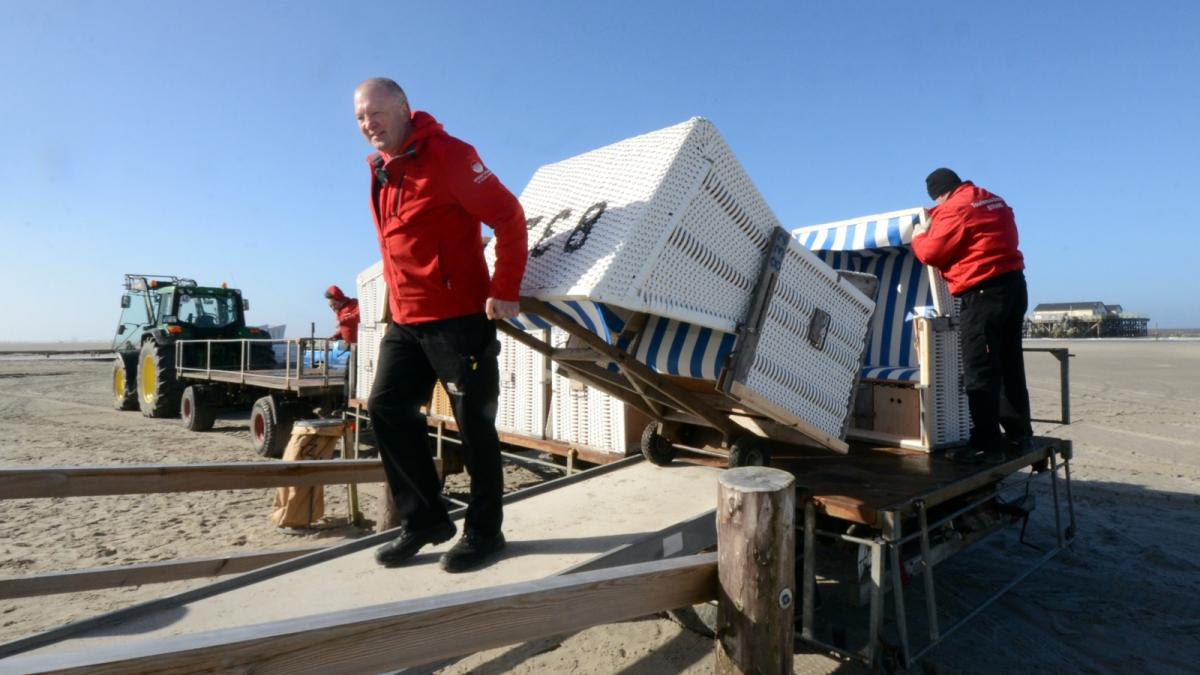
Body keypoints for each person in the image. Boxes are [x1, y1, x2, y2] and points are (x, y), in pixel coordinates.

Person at [354, 77, 527, 572]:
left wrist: (505, 287)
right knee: (386, 409)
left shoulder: (449, 155)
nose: (369, 124)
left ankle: (485, 531)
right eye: (361, 118)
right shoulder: (380, 169)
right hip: (406, 321)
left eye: (376, 113)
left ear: (404, 108)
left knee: (475, 427)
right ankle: (425, 519)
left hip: (459, 320)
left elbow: (509, 216)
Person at [912, 168, 1033, 464]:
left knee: (980, 369)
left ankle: (986, 445)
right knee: (1009, 364)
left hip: (983, 294)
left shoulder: (954, 209)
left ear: (940, 194)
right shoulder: (993, 200)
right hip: (1014, 286)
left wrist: (919, 235)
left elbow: (932, 252)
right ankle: (1020, 435)